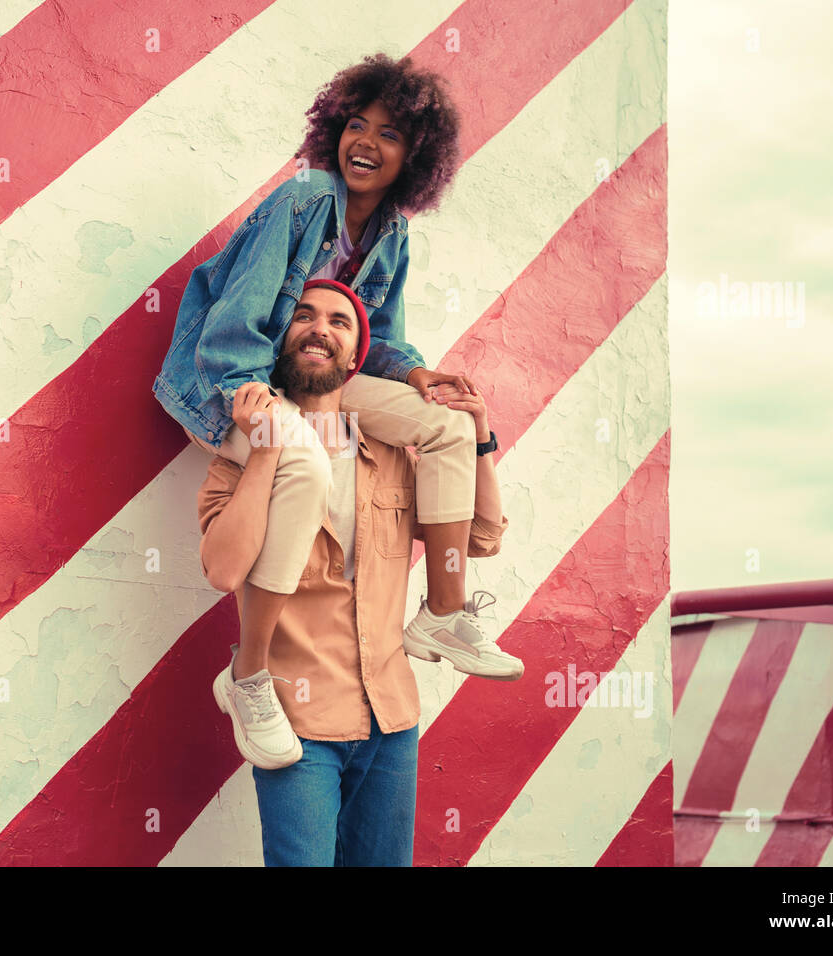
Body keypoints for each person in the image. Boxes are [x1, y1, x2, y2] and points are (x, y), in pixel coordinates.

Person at [155, 53, 521, 769]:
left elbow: (375, 337)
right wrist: (246, 400)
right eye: (358, 125)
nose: (368, 142)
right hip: (235, 375)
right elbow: (237, 319)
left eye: (390, 134)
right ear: (335, 131)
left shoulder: (392, 233)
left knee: (445, 423)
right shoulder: (306, 197)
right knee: (298, 453)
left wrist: (419, 373)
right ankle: (249, 676)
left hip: (324, 375)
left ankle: (444, 613)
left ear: (414, 158)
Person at [197, 281, 517, 865]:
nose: (321, 327)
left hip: (391, 717)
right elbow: (223, 568)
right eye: (303, 315)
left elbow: (479, 538)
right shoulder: (243, 452)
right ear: (281, 341)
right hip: (295, 720)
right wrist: (267, 454)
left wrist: (480, 440)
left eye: (341, 322)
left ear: (354, 357)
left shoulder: (389, 450)